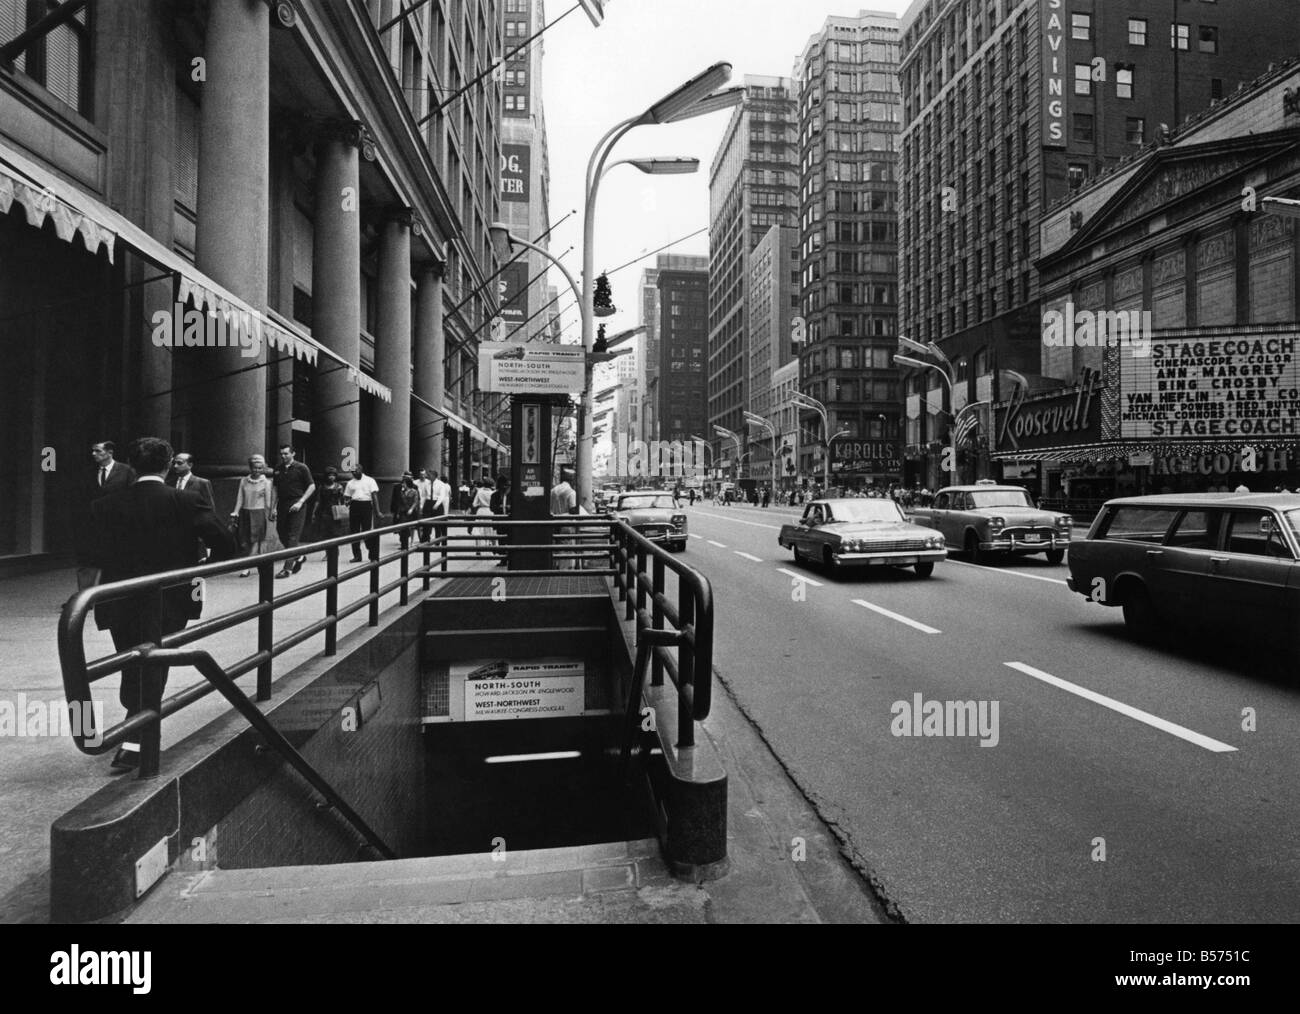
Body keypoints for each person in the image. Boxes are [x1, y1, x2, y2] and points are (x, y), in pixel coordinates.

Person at [88, 436, 237, 772]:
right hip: (170, 596)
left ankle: (133, 732)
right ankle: (136, 740)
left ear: (131, 464)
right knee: (156, 661)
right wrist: (195, 571)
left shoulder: (104, 505)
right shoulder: (185, 501)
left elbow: (91, 554)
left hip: (120, 598)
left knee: (131, 660)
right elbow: (226, 544)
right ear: (168, 464)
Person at [74, 440, 139, 593]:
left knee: (117, 560)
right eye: (93, 451)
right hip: (92, 524)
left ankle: (115, 594)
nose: (93, 454)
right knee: (88, 562)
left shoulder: (127, 471)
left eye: (98, 451)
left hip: (117, 525)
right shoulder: (88, 471)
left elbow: (133, 496)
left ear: (110, 453)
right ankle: (85, 596)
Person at [271, 445, 315, 578]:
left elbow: (312, 486)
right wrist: (273, 507)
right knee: (281, 533)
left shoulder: (301, 467)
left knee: (293, 536)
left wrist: (301, 502)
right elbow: (275, 489)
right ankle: (299, 556)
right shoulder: (278, 469)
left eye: (286, 454)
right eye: (281, 454)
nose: (283, 456)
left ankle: (287, 569)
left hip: (297, 504)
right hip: (282, 504)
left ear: (293, 453)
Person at [166, 452, 215, 562]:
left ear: (190, 465)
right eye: (174, 463)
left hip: (194, 531)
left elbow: (209, 508)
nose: (175, 466)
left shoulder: (202, 483)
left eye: (179, 463)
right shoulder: (169, 483)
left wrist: (206, 532)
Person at [230, 455, 274, 577]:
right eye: (255, 468)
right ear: (250, 467)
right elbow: (240, 498)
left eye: (260, 468)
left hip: (258, 513)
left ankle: (247, 567)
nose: (257, 470)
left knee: (255, 540)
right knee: (244, 541)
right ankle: (259, 562)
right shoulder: (244, 480)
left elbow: (268, 501)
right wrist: (235, 512)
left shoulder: (266, 482)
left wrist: (271, 512)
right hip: (245, 512)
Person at [343, 465, 380, 562]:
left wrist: (377, 511)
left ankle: (372, 554)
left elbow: (374, 496)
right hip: (354, 506)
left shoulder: (370, 480)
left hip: (366, 505)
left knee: (366, 531)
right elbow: (347, 496)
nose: (353, 473)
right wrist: (347, 501)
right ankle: (357, 555)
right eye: (352, 472)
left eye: (355, 471)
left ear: (361, 470)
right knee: (354, 531)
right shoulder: (350, 483)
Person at [309, 465, 346, 547]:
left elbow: (342, 500)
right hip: (324, 512)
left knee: (335, 532)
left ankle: (334, 550)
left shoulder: (339, 487)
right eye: (330, 475)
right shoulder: (322, 487)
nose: (331, 477)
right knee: (325, 532)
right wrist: (314, 512)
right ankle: (328, 551)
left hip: (335, 512)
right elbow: (318, 501)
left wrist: (342, 511)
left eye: (333, 475)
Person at [550, 467, 578, 569]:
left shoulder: (553, 490)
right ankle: (564, 570)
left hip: (553, 523)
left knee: (555, 546)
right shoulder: (571, 492)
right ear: (571, 480)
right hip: (566, 525)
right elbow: (573, 510)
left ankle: (555, 567)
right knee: (566, 548)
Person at [389, 472, 420, 550]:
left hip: (411, 512)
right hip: (403, 512)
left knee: (411, 528)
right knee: (402, 528)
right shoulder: (401, 491)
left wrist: (411, 509)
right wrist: (397, 513)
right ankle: (404, 545)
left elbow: (416, 501)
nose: (403, 485)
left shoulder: (414, 491)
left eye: (404, 483)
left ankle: (409, 542)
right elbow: (399, 502)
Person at [490, 473, 511, 566]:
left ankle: (509, 557)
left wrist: (509, 508)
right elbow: (492, 507)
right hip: (500, 521)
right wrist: (501, 507)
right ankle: (503, 559)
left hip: (510, 521)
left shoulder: (512, 495)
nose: (504, 487)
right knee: (501, 540)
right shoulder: (494, 495)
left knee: (510, 539)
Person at [471, 478, 494, 556]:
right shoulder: (493, 493)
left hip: (481, 511)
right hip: (490, 511)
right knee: (490, 528)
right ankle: (491, 544)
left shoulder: (479, 492)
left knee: (478, 529)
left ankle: (478, 548)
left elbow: (474, 504)